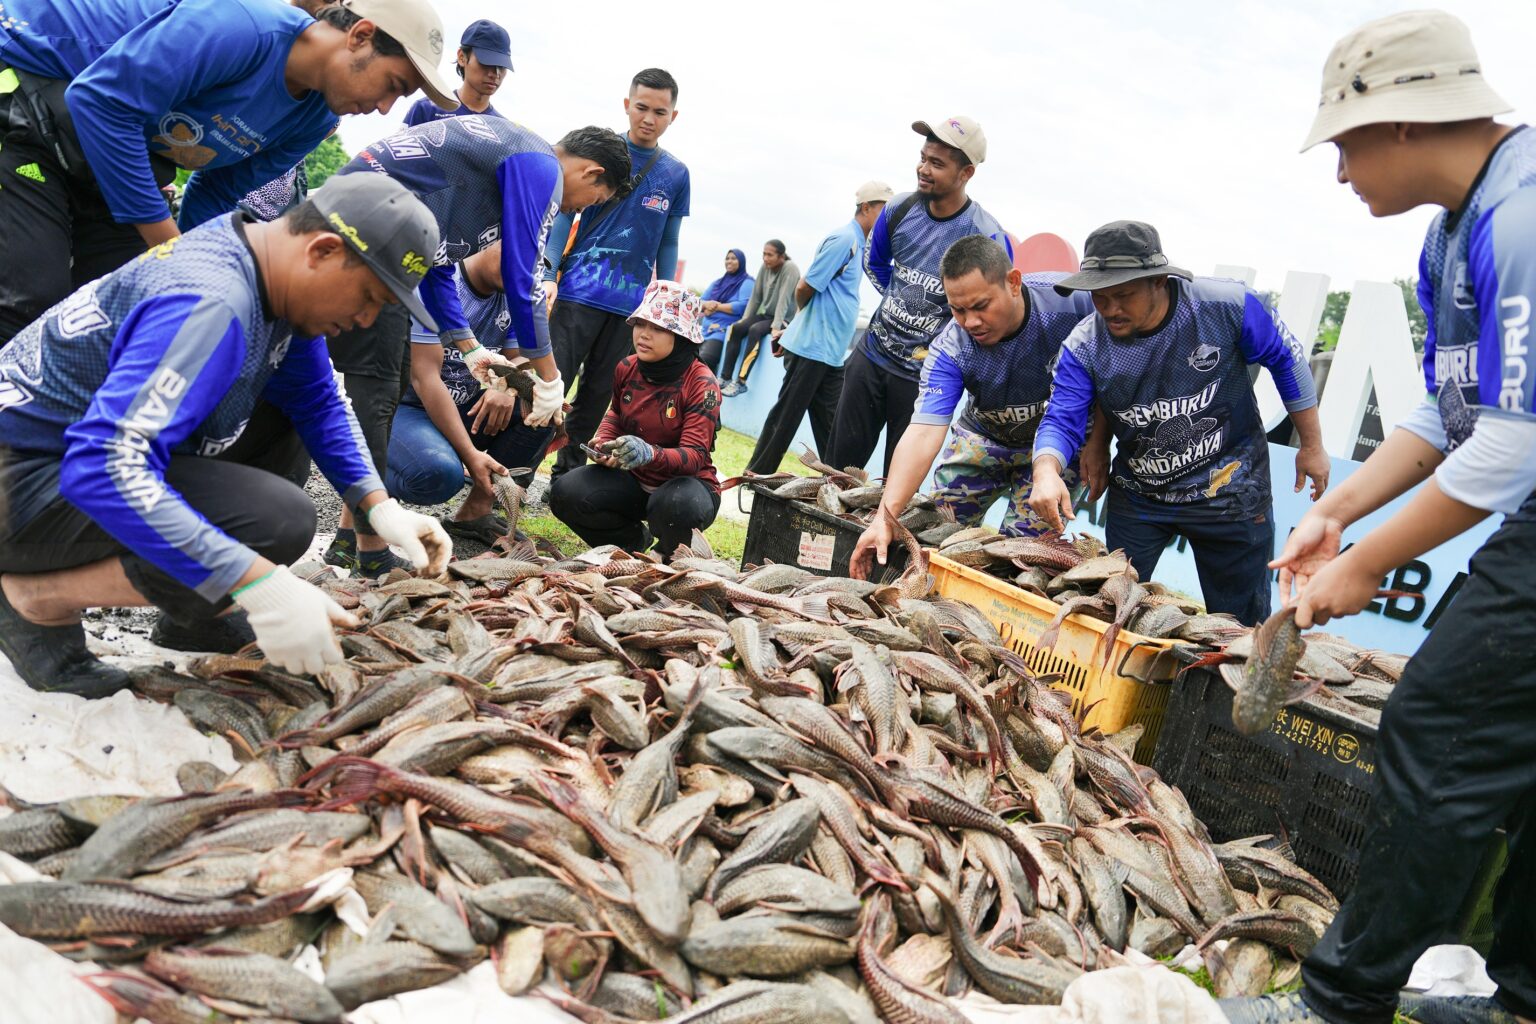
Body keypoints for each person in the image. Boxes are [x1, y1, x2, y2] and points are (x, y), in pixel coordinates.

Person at [1223, 12, 1536, 1024]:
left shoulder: (1524, 216)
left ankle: (1338, 1003)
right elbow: (1451, 415)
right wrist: (1338, 514)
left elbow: (1518, 441)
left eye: (1346, 144)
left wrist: (1364, 564)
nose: (1341, 171)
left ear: (1400, 121)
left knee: (1440, 725)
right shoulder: (1456, 233)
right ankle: (1517, 991)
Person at [0, 174, 452, 696]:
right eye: (370, 297)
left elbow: (318, 401)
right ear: (324, 250)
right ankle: (36, 600)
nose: (366, 318)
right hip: (23, 478)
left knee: (282, 443)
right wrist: (252, 580)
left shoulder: (268, 271)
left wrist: (378, 506)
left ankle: (196, 615)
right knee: (271, 522)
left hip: (63, 460)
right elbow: (102, 466)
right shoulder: (212, 301)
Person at [0, 0, 458, 342]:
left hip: (97, 161)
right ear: (359, 36)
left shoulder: (315, 120)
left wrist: (191, 273)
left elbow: (216, 194)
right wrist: (174, 256)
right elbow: (99, 103)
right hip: (26, 105)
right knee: (30, 298)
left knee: (128, 314)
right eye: (393, 86)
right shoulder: (243, 28)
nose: (383, 108)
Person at [315, 118, 630, 574]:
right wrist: (550, 377)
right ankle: (364, 548)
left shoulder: (502, 173)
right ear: (591, 173)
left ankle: (354, 542)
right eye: (590, 203)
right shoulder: (540, 166)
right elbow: (525, 282)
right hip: (369, 228)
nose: (574, 212)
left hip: (373, 224)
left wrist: (469, 347)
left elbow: (439, 261)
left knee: (377, 394)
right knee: (381, 393)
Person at [1028, 220, 1328, 625]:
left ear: (1159, 281)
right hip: (1139, 494)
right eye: (1099, 297)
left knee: (1239, 625)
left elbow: (1287, 361)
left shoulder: (1227, 307)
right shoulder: (1084, 345)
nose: (1110, 309)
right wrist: (1046, 469)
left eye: (1123, 295)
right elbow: (1062, 416)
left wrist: (1311, 444)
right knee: (1112, 607)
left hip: (1232, 490)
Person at [849, 235, 1098, 574]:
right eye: (958, 309)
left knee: (1026, 562)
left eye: (981, 306)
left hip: (1059, 447)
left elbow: (1110, 371)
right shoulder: (950, 348)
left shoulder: (1074, 304)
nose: (971, 322)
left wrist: (1098, 444)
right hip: (984, 439)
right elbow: (923, 432)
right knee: (933, 537)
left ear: (1013, 282)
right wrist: (885, 516)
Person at [826, 115, 1011, 475]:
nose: (923, 169)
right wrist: (905, 302)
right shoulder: (899, 209)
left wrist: (938, 334)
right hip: (872, 354)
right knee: (836, 471)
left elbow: (993, 308)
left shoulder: (985, 236)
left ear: (966, 173)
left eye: (937, 164)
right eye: (923, 158)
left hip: (925, 377)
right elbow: (875, 263)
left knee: (895, 484)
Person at [543, 68, 691, 481]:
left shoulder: (676, 175)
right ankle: (517, 473)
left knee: (596, 397)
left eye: (659, 111)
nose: (648, 118)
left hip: (630, 307)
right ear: (627, 106)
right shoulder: (603, 155)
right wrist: (550, 272)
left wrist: (664, 301)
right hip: (576, 293)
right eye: (641, 107)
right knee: (550, 384)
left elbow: (669, 241)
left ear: (672, 116)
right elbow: (563, 215)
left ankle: (564, 479)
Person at [386, 241, 553, 544]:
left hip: (465, 407)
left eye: (532, 267)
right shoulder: (441, 281)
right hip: (411, 408)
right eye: (519, 261)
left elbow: (517, 357)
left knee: (544, 408)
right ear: (495, 240)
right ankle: (371, 496)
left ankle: (475, 512)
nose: (524, 274)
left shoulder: (513, 296)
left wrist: (509, 384)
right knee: (438, 475)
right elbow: (425, 379)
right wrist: (469, 455)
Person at [549, 281, 721, 556]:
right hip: (634, 480)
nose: (644, 335)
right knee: (565, 492)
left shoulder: (701, 383)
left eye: (658, 328)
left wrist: (649, 454)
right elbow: (616, 412)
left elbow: (694, 456)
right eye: (641, 324)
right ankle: (630, 545)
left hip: (686, 487)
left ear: (681, 336)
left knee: (677, 506)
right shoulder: (627, 368)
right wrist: (604, 441)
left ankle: (666, 555)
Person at [745, 182, 891, 475]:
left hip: (832, 352)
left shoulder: (861, 244)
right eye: (884, 211)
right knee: (786, 418)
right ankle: (756, 475)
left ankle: (838, 484)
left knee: (834, 424)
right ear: (866, 208)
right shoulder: (844, 240)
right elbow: (805, 287)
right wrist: (802, 324)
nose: (888, 220)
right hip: (813, 347)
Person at [713, 240, 801, 396]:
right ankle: (725, 377)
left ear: (781, 256)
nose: (765, 258)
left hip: (784, 319)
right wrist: (744, 319)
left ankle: (741, 382)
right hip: (767, 314)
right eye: (764, 254)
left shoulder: (790, 268)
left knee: (755, 330)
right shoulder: (765, 267)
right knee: (736, 328)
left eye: (770, 255)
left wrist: (776, 326)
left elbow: (784, 299)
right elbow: (755, 297)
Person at [402, 18, 511, 125]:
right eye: (487, 62)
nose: (495, 74)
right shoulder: (426, 111)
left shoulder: (503, 129)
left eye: (501, 66)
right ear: (462, 57)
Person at [697, 249, 754, 352]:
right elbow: (699, 302)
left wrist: (715, 306)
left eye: (733, 258)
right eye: (727, 258)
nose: (729, 261)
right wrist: (707, 305)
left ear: (741, 262)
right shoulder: (717, 283)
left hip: (723, 332)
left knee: (706, 359)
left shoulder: (747, 282)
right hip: (703, 331)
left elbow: (743, 306)